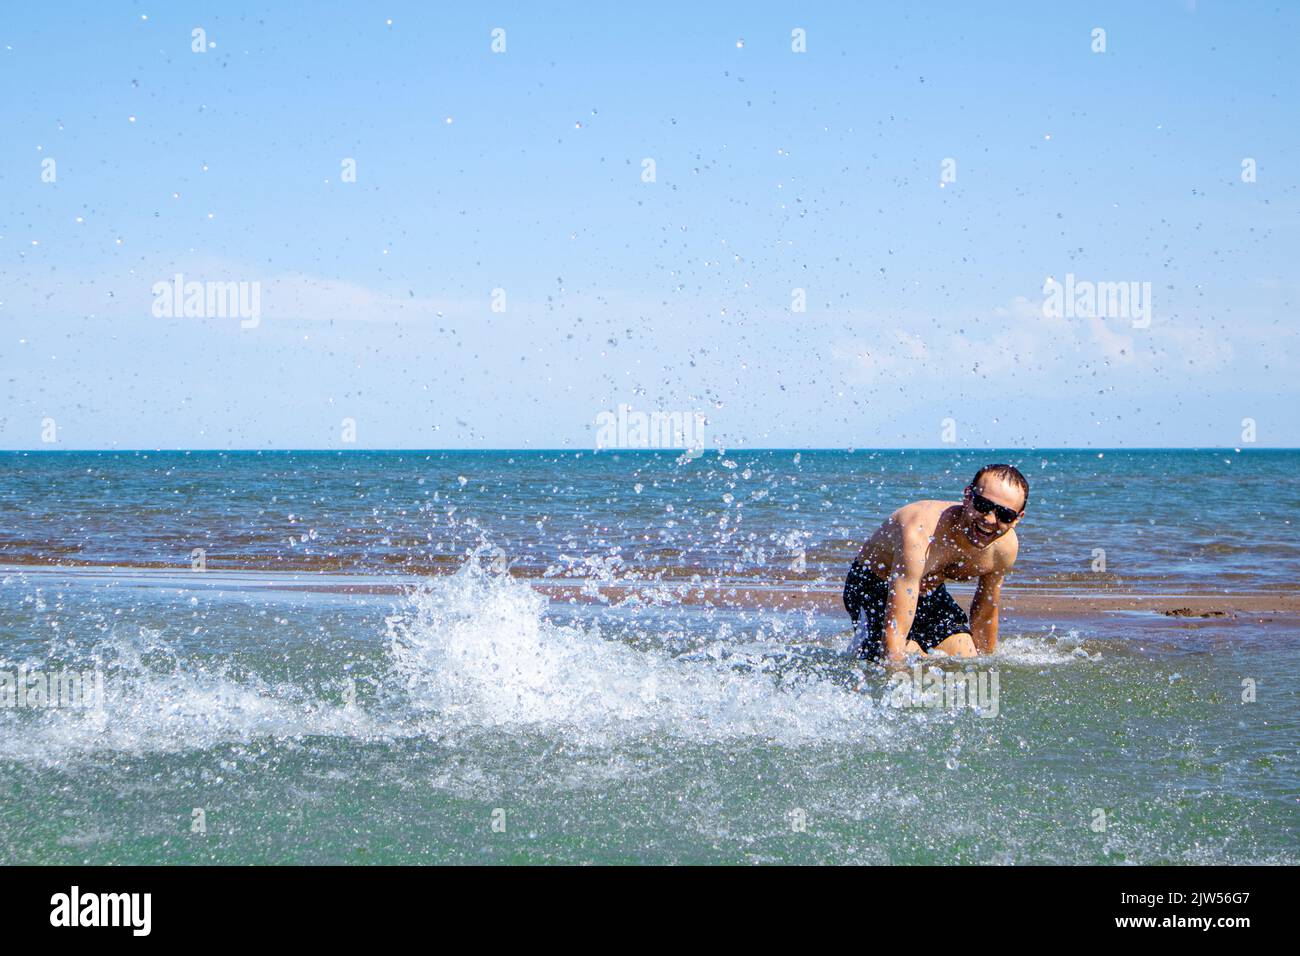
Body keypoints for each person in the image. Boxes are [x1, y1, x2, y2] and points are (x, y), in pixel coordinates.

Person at [842, 464, 1027, 663]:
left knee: (965, 656)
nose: (990, 520)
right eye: (982, 505)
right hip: (874, 585)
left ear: (1017, 519)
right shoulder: (920, 531)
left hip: (929, 592)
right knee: (899, 655)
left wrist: (987, 667)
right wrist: (896, 678)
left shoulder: (1004, 549)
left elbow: (986, 610)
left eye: (1005, 515)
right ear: (968, 496)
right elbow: (894, 631)